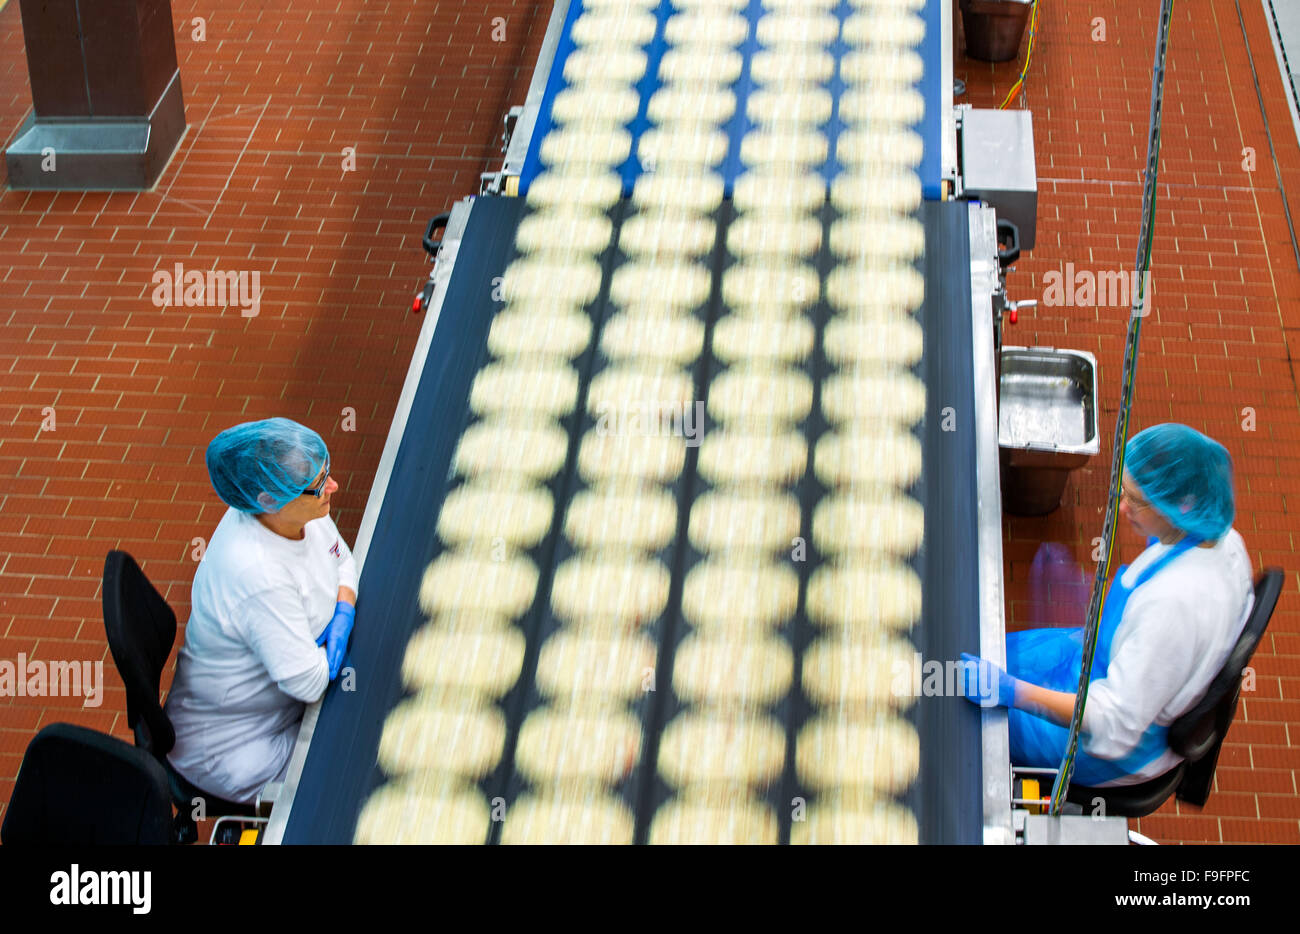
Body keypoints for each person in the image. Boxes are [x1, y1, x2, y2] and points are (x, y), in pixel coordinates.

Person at [962, 423, 1253, 786]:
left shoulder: (1171, 608)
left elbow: (1112, 723)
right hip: (1104, 661)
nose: (1122, 505)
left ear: (1181, 506)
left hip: (1112, 745)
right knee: (987, 653)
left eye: (1136, 499)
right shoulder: (1224, 542)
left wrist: (1014, 692)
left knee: (965, 716)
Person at [164, 417, 358, 804]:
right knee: (347, 780)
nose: (332, 486)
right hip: (238, 746)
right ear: (270, 500)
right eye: (320, 485)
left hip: (280, 700)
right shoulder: (257, 574)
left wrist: (341, 616)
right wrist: (338, 617)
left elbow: (344, 562)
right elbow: (310, 682)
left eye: (327, 472)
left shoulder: (292, 509)